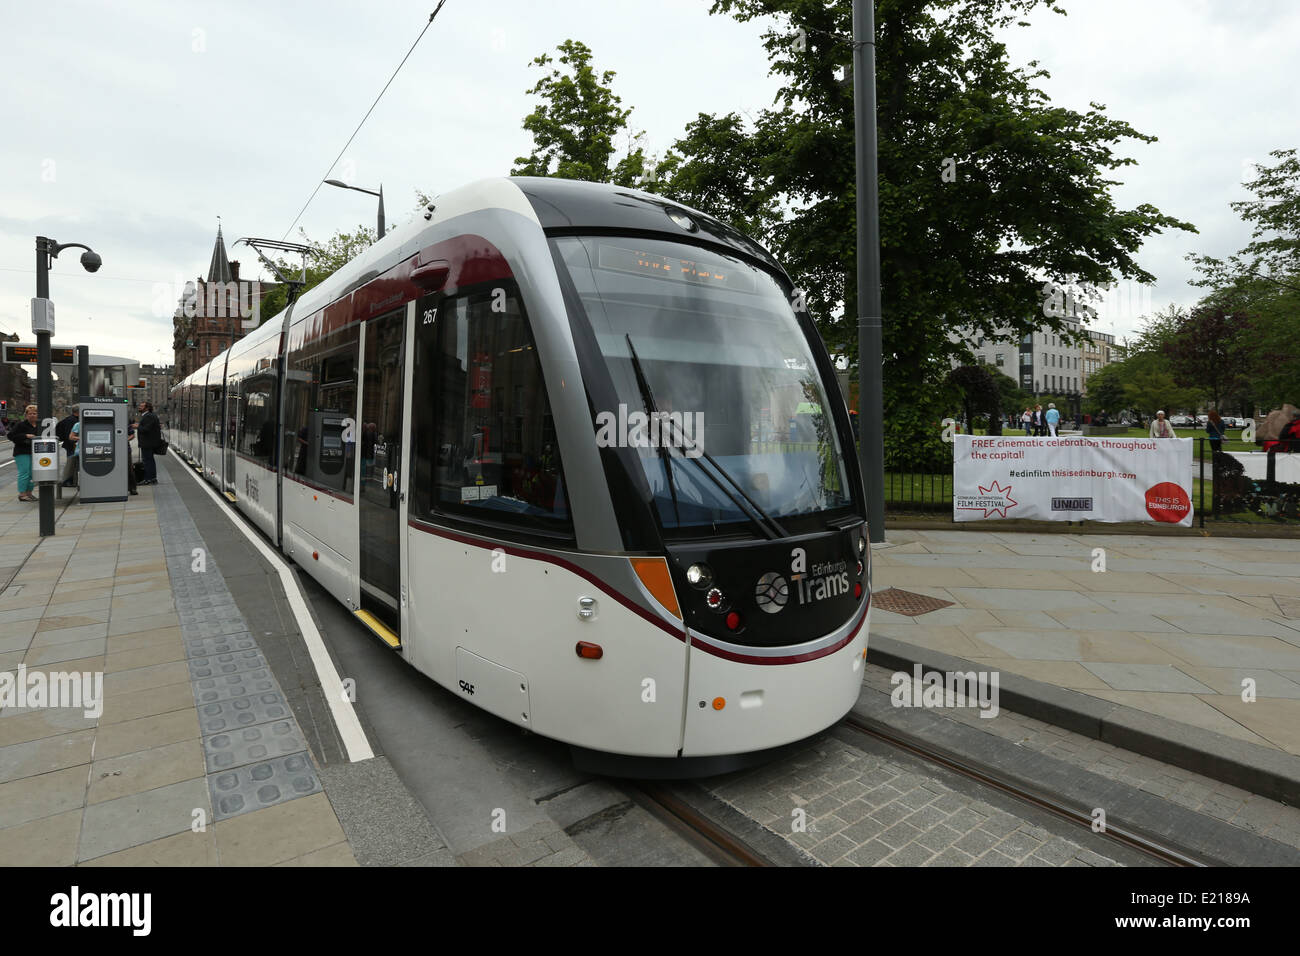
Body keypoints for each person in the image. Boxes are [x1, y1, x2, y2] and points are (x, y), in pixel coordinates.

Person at [7, 405, 40, 501]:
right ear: (26, 415)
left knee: (32, 474)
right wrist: (26, 435)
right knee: (24, 472)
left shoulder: (39, 425)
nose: (32, 415)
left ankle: (29, 493)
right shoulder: (20, 425)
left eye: (34, 413)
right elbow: (11, 436)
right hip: (22, 452)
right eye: (30, 414)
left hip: (35, 452)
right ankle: (22, 494)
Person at [137, 400, 162, 484]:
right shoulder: (149, 416)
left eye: (141, 406)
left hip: (147, 443)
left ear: (147, 408)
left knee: (147, 461)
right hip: (148, 443)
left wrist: (137, 426)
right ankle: (151, 478)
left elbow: (146, 429)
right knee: (149, 460)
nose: (139, 407)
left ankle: (149, 479)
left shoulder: (149, 416)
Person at [57, 405, 79, 487]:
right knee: (71, 463)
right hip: (71, 445)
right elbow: (68, 435)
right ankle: (67, 481)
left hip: (71, 444)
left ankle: (72, 480)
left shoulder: (70, 419)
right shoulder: (71, 420)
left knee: (72, 463)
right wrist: (73, 444)